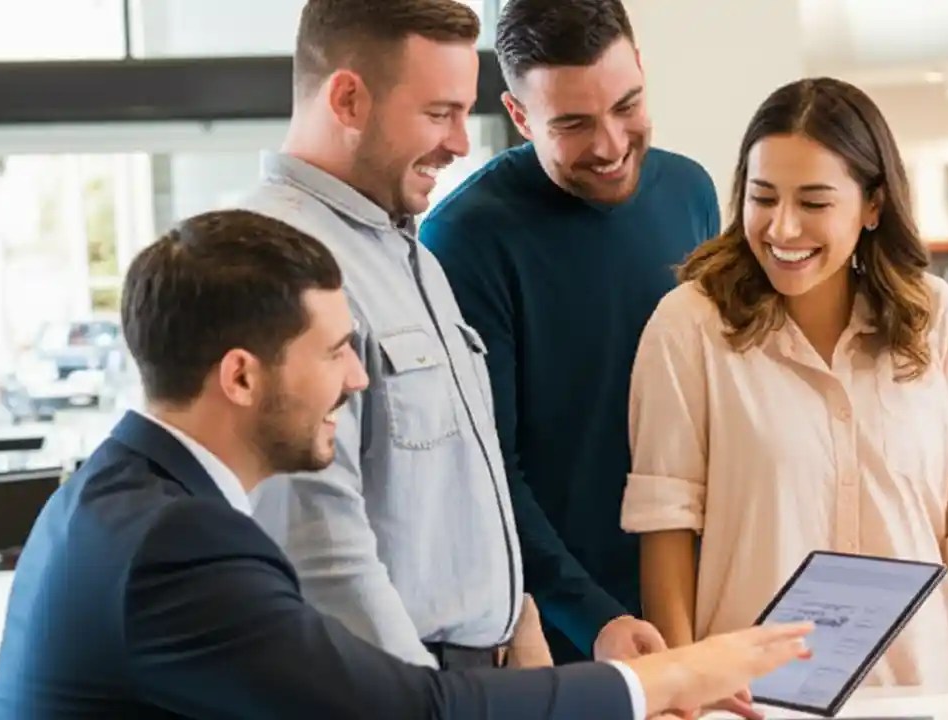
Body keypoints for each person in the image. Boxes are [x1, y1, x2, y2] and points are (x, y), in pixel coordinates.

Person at [0, 209, 815, 719]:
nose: (358, 379)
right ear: (240, 377)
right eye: (336, 352)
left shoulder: (113, 498)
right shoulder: (178, 545)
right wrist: (674, 675)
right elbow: (411, 710)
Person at [620, 78, 948, 691]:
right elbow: (667, 523)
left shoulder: (932, 316)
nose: (782, 228)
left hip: (919, 686)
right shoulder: (689, 326)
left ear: (873, 205)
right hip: (753, 697)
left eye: (814, 203)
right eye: (763, 197)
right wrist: (680, 684)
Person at [230, 0, 645, 671]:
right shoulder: (274, 264)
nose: (459, 143)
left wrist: (517, 619)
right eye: (439, 113)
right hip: (403, 689)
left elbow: (456, 488)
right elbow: (318, 555)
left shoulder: (409, 252)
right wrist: (436, 701)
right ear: (348, 99)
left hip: (480, 675)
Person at [420, 0, 721, 666]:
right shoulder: (464, 240)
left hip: (699, 604)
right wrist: (594, 618)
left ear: (640, 66)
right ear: (520, 115)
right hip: (566, 637)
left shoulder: (692, 192)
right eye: (574, 124)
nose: (610, 145)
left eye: (626, 106)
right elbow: (488, 468)